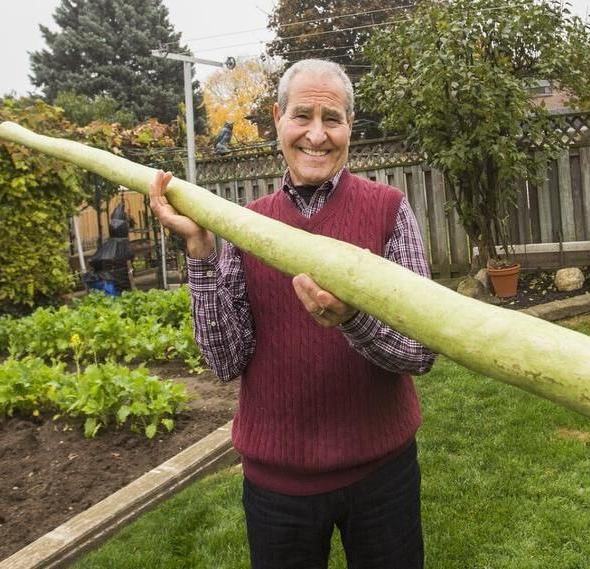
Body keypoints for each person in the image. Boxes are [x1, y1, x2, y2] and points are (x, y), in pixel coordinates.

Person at [149, 58, 436, 569]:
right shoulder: (244, 226)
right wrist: (201, 253)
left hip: (383, 475)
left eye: (334, 119)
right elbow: (224, 361)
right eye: (302, 116)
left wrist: (354, 319)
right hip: (277, 486)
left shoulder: (390, 209)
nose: (317, 135)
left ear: (351, 126)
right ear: (277, 119)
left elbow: (419, 351)